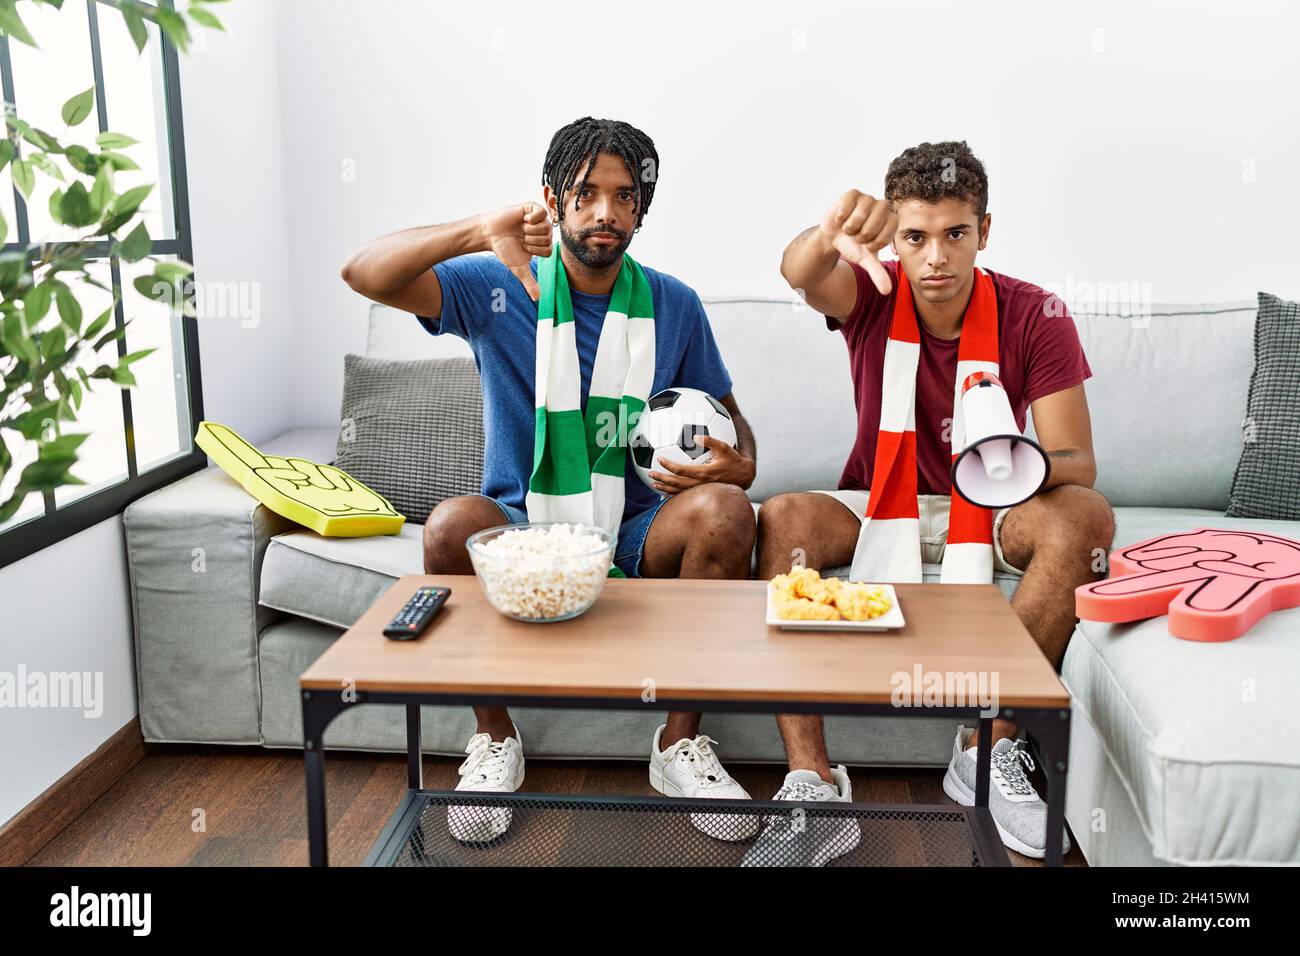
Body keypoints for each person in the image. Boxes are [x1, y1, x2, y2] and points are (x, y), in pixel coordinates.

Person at [341, 117, 760, 844]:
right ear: (551, 199)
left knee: (726, 510)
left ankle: (678, 744)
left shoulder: (674, 304)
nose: (606, 213)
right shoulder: (497, 286)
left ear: (640, 210)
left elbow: (731, 422)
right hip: (521, 528)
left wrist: (740, 464)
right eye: (588, 193)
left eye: (625, 197)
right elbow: (363, 273)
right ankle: (495, 739)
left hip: (635, 532)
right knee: (447, 526)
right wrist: (478, 229)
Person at [754, 140, 1115, 864]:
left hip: (991, 502)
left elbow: (1078, 461)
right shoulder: (871, 291)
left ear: (985, 230)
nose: (936, 258)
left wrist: (1002, 463)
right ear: (894, 237)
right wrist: (831, 233)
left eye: (956, 234)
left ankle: (987, 749)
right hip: (876, 501)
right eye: (914, 237)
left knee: (1086, 519)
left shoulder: (1034, 312)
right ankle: (811, 780)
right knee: (785, 515)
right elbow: (799, 271)